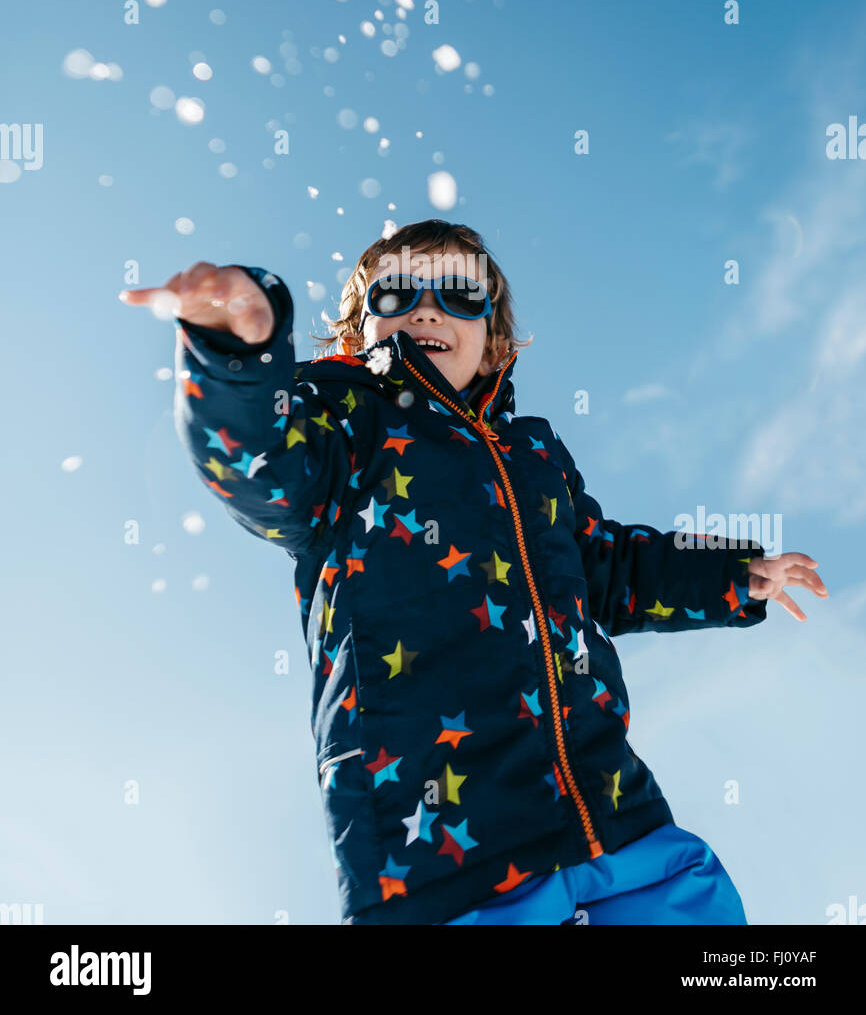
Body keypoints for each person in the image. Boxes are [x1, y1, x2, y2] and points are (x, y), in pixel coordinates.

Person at [120, 218, 827, 926]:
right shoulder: (341, 430)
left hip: (616, 825)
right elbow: (261, 462)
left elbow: (606, 568)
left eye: (459, 293)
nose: (427, 307)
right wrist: (237, 352)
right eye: (396, 292)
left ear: (493, 345)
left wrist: (733, 574)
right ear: (353, 336)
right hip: (444, 865)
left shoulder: (537, 458)